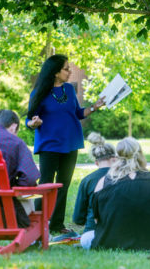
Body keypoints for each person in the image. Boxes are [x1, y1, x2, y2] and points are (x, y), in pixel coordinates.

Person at [26, 54, 105, 234]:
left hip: (71, 143)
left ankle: (56, 224)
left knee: (63, 185)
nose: (69, 72)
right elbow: (29, 120)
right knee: (46, 184)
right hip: (49, 145)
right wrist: (34, 123)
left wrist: (95, 106)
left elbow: (78, 113)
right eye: (66, 69)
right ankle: (38, 223)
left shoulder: (69, 89)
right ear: (55, 72)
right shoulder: (39, 92)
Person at [81, 137, 150, 250]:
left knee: (86, 238)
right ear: (140, 155)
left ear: (116, 158)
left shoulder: (102, 183)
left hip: (109, 242)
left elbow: (97, 220)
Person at [73, 132, 116, 234]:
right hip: (119, 232)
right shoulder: (124, 177)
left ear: (96, 162)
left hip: (92, 233)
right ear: (114, 159)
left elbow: (78, 218)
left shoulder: (87, 181)